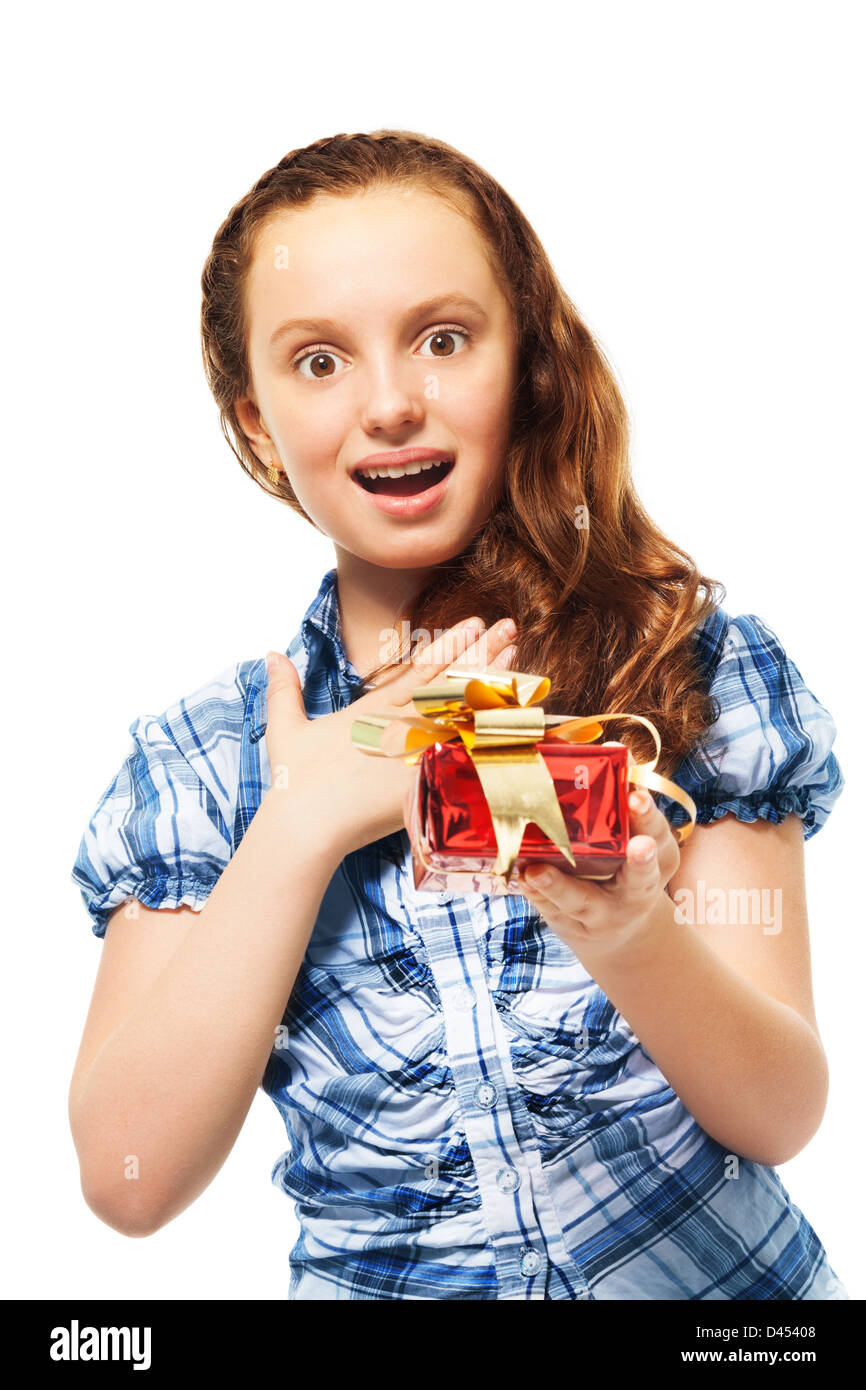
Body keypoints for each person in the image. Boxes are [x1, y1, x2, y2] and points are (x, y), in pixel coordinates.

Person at [69, 129, 848, 1301]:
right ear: (251, 422)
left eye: (441, 340)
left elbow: (780, 1112)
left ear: (523, 364)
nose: (390, 403)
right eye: (319, 360)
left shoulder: (688, 668)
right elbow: (128, 1181)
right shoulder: (201, 764)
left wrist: (631, 931)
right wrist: (301, 822)